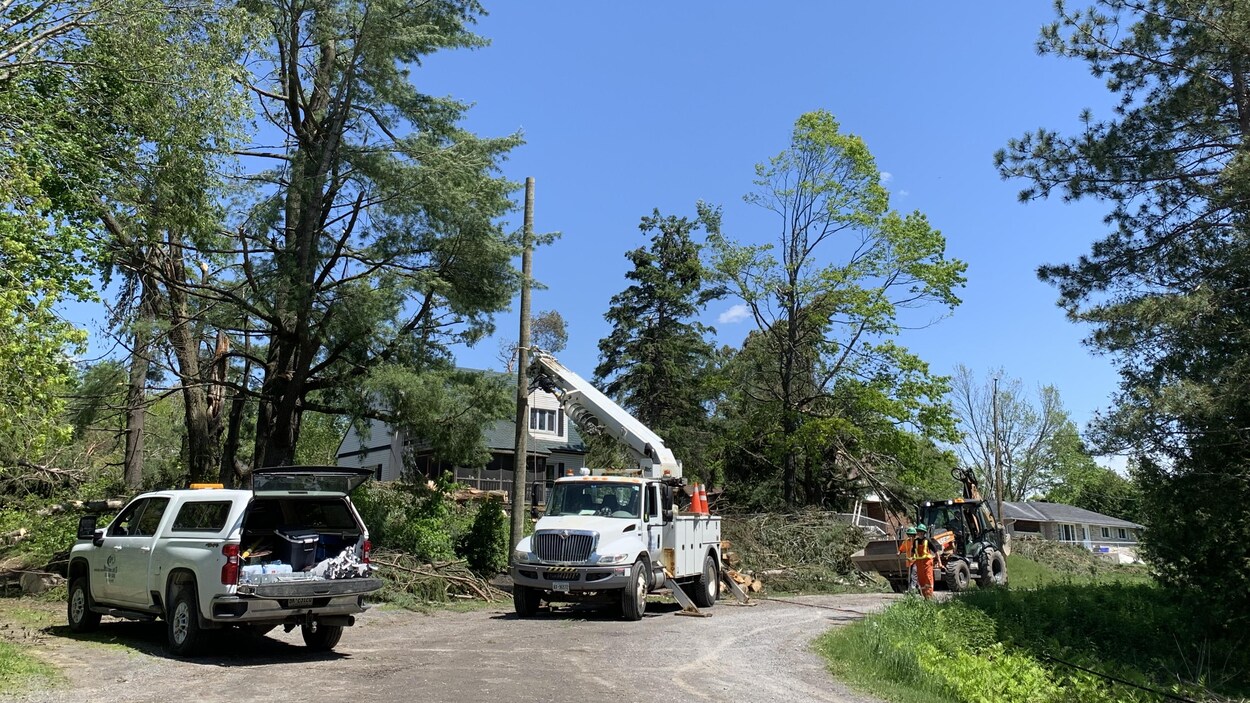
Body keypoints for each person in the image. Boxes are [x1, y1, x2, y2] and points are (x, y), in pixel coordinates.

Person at [909, 524, 941, 600]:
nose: (920, 533)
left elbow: (936, 551)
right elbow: (913, 551)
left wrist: (939, 562)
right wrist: (911, 558)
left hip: (927, 562)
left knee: (928, 578)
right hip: (919, 563)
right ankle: (924, 596)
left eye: (921, 532)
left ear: (924, 533)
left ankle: (929, 595)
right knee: (921, 579)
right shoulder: (915, 541)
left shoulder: (928, 541)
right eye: (918, 532)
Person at [898, 526, 918, 592]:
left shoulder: (917, 541)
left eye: (912, 535)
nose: (910, 537)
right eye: (909, 535)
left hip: (916, 561)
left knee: (913, 575)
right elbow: (901, 549)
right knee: (909, 576)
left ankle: (912, 589)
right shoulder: (906, 542)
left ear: (914, 535)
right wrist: (899, 552)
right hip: (909, 561)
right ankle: (912, 588)